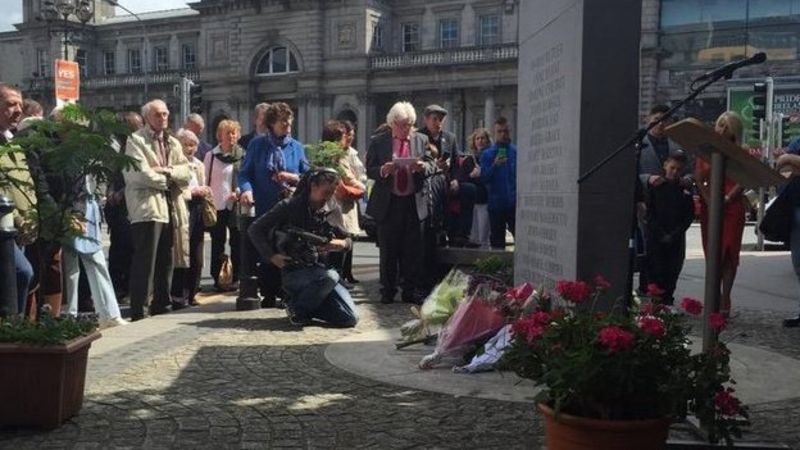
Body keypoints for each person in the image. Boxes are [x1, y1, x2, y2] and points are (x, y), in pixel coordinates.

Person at [248, 169, 359, 328]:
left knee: (349, 318)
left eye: (332, 193)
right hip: (294, 272)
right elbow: (254, 229)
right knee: (331, 277)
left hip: (321, 272)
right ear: (313, 185)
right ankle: (297, 308)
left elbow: (348, 239)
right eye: (326, 192)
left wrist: (341, 244)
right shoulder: (289, 206)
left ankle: (308, 307)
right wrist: (272, 256)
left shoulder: (331, 209)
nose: (328, 197)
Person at [123, 99, 191, 321]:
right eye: (157, 115)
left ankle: (162, 303)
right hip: (147, 208)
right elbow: (139, 174)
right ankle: (139, 308)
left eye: (165, 114)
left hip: (170, 206)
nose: (162, 118)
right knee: (146, 260)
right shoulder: (135, 140)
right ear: (146, 118)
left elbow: (187, 172)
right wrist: (169, 179)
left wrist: (166, 172)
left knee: (166, 258)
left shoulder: (172, 142)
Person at [366, 101, 434, 304]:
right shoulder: (379, 141)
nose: (406, 129)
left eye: (409, 125)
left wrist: (423, 167)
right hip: (390, 202)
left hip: (414, 201)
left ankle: (409, 290)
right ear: (392, 123)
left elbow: (432, 164)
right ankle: (387, 290)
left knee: (412, 249)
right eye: (402, 125)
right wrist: (383, 170)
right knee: (389, 249)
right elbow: (369, 169)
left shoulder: (421, 139)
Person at [695, 111, 747, 318]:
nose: (722, 130)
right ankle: (713, 295)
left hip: (732, 208)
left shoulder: (741, 152)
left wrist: (727, 198)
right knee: (713, 253)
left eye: (727, 127)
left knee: (729, 254)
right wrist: (710, 200)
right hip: (711, 207)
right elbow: (699, 180)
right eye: (719, 125)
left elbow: (744, 179)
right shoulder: (705, 152)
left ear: (734, 130)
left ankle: (726, 297)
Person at [239, 104, 292, 307]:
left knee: (286, 247)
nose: (287, 126)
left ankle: (285, 292)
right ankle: (268, 294)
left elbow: (306, 174)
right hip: (265, 205)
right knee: (266, 249)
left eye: (289, 122)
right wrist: (246, 190)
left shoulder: (295, 146)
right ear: (271, 124)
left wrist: (292, 177)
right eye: (283, 122)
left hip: (288, 208)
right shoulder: (257, 145)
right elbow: (245, 173)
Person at [63, 172, 128, 329]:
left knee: (95, 262)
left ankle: (109, 314)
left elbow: (96, 181)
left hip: (88, 206)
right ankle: (71, 315)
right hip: (71, 208)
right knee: (72, 268)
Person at [637, 105, 690, 295]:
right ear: (649, 119)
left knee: (675, 253)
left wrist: (686, 180)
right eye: (658, 119)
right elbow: (630, 172)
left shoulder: (677, 145)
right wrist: (647, 179)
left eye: (665, 120)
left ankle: (668, 292)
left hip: (673, 208)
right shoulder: (639, 144)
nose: (661, 124)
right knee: (650, 249)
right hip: (647, 204)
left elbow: (691, 173)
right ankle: (648, 290)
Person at [0, 83, 34, 315]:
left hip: (20, 225)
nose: (18, 110)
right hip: (4, 226)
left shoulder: (13, 140)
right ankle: (12, 331)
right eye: (11, 105)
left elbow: (25, 182)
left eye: (20, 104)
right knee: (22, 273)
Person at [644, 151, 695, 306]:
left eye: (678, 170)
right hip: (656, 235)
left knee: (672, 270)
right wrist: (659, 232)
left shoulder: (684, 191)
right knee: (655, 268)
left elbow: (688, 215)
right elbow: (649, 212)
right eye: (672, 168)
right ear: (665, 165)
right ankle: (655, 301)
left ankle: (668, 300)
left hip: (675, 237)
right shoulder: (657, 187)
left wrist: (675, 233)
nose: (674, 172)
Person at [321, 120, 364, 289]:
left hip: (339, 206)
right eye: (341, 137)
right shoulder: (334, 157)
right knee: (338, 243)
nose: (345, 139)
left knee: (342, 242)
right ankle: (336, 280)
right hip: (337, 206)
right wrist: (361, 186)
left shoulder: (338, 154)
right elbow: (348, 178)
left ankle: (339, 277)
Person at [171, 129, 210, 306]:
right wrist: (193, 192)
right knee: (181, 251)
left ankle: (192, 292)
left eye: (193, 145)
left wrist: (204, 191)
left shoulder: (199, 165)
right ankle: (179, 294)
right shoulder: (175, 163)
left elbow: (203, 184)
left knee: (197, 252)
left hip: (198, 207)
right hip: (182, 207)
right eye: (186, 144)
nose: (190, 148)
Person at [205, 119, 244, 291]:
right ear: (219, 136)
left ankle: (235, 277)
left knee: (237, 242)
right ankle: (218, 277)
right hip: (217, 205)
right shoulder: (211, 156)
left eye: (234, 133)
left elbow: (246, 177)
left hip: (235, 205)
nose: (231, 136)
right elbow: (205, 180)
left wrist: (239, 191)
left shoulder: (243, 155)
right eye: (227, 133)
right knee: (217, 243)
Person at [106, 111, 142, 300]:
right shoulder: (118, 148)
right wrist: (111, 192)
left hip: (132, 205)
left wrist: (122, 192)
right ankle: (118, 285)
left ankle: (127, 286)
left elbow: (137, 176)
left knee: (130, 248)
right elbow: (113, 174)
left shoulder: (138, 148)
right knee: (118, 248)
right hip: (117, 209)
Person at [480, 117, 517, 249]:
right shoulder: (487, 154)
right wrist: (495, 165)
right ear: (495, 133)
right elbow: (484, 178)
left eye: (505, 131)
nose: (503, 134)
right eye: (500, 131)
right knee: (497, 243)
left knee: (522, 240)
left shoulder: (516, 152)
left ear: (510, 132)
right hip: (496, 204)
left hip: (514, 203)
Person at [774, 138, 800, 327]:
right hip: (795, 206)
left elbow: (786, 161)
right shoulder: (797, 141)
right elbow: (782, 169)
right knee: (798, 265)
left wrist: (789, 157)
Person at [341, 119, 365, 284]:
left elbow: (361, 172)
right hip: (345, 197)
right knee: (343, 236)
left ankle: (348, 271)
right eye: (348, 134)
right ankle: (342, 272)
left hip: (353, 198)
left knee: (351, 236)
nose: (350, 138)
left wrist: (360, 181)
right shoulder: (338, 153)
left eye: (352, 134)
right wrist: (359, 184)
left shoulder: (353, 153)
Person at [466, 128, 491, 248]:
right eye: (478, 138)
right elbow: (463, 176)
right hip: (472, 201)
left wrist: (482, 173)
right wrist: (471, 175)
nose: (480, 141)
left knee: (484, 235)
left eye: (483, 138)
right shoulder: (469, 158)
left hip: (485, 199)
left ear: (487, 141)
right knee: (474, 236)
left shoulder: (491, 156)